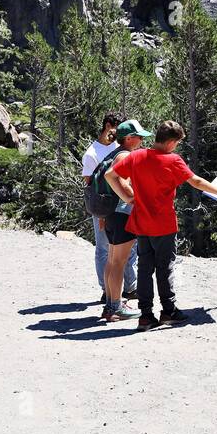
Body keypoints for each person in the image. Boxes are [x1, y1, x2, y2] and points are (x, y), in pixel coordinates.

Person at [106, 120, 217, 331]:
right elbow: (196, 182)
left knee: (145, 269)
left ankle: (146, 315)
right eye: (177, 143)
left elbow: (110, 175)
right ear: (171, 142)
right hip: (163, 224)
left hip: (141, 222)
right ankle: (168, 310)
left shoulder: (137, 155)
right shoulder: (172, 160)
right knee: (164, 268)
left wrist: (129, 197)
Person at [90, 120, 153, 322]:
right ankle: (116, 308)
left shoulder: (114, 153)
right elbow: (118, 180)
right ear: (128, 139)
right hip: (122, 214)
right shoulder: (125, 155)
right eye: (139, 137)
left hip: (110, 214)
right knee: (119, 262)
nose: (142, 140)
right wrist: (133, 199)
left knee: (112, 260)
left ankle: (111, 305)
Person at [81, 113, 135, 305]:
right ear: (108, 125)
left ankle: (129, 287)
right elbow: (90, 185)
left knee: (123, 250)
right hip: (104, 207)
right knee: (105, 249)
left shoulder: (118, 148)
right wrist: (101, 213)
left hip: (120, 207)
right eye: (117, 126)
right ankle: (107, 291)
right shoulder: (92, 153)